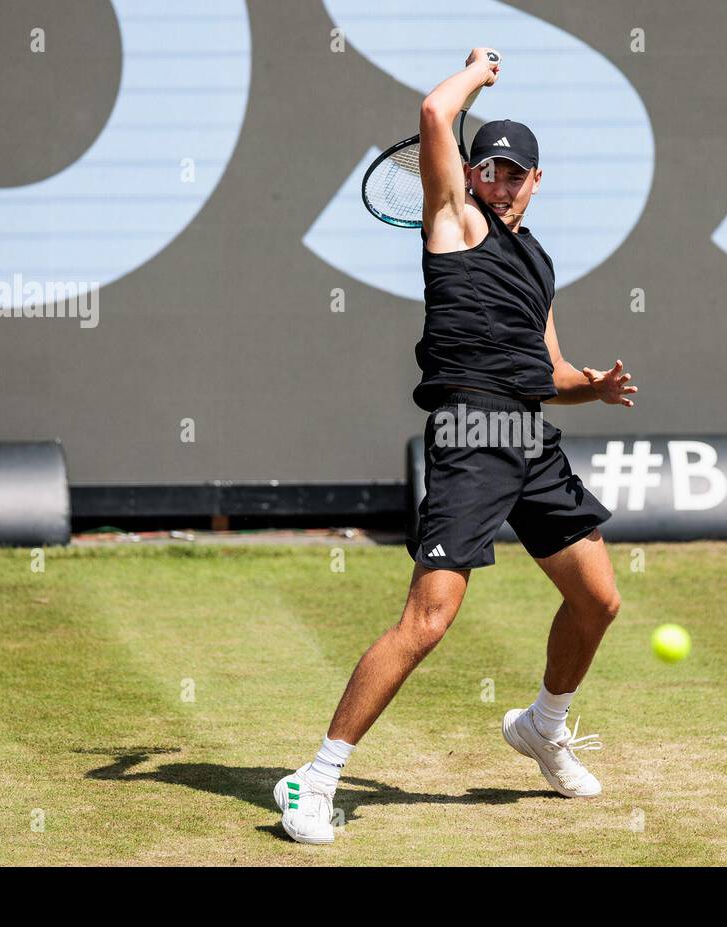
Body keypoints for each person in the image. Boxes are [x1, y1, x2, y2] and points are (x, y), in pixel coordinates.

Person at [275, 47, 637, 844]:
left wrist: (595, 387)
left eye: (517, 172)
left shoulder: (537, 260)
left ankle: (543, 725)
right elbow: (435, 115)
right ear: (470, 177)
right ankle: (314, 778)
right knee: (429, 620)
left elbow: (548, 372)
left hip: (527, 435)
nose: (502, 181)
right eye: (491, 168)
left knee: (599, 598)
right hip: (471, 432)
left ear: (537, 181)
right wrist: (476, 69)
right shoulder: (454, 219)